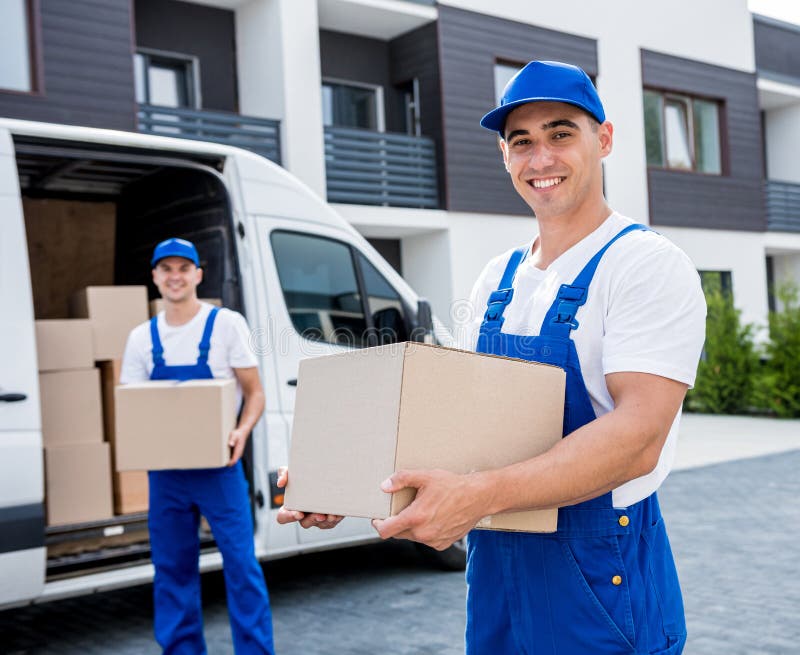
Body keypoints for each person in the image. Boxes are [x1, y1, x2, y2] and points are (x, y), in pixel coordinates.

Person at [281, 60, 706, 654]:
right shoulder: (496, 281)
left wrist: (480, 495)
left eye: (561, 134)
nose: (541, 159)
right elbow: (461, 429)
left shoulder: (643, 265)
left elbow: (638, 438)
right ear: (505, 156)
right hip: (499, 561)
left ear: (604, 138)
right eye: (521, 142)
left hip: (596, 567)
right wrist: (343, 481)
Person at [121, 237, 275, 655]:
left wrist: (242, 431)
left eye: (183, 268)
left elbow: (255, 393)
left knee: (242, 567)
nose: (175, 276)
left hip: (220, 468)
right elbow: (135, 409)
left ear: (197, 275)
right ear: (155, 277)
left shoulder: (226, 324)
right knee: (172, 570)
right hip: (167, 475)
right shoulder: (140, 338)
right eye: (166, 268)